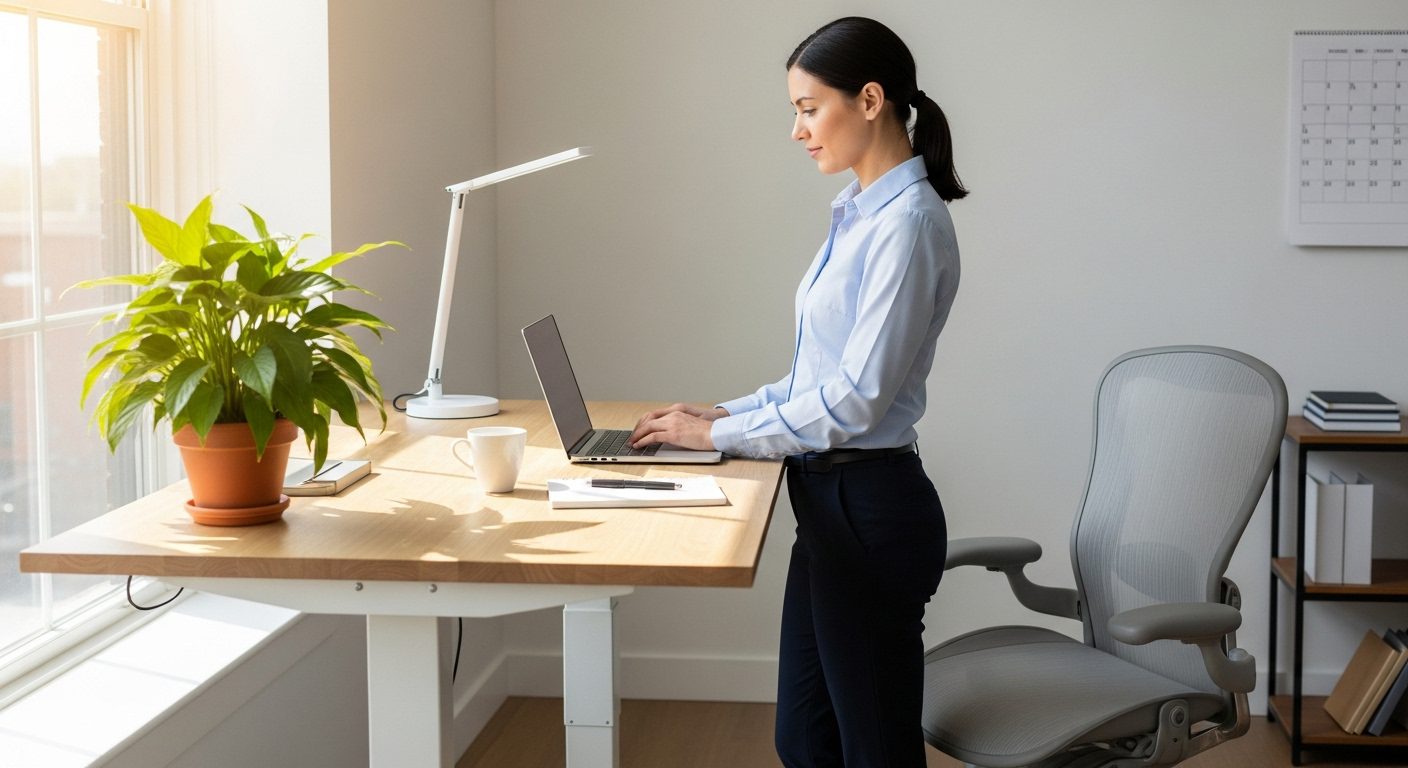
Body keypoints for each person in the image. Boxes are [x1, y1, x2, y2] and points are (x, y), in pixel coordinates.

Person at [628, 15, 964, 768]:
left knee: (873, 749)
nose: (798, 130)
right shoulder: (858, 216)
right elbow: (817, 377)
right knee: (807, 741)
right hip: (829, 506)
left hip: (871, 509)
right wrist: (723, 413)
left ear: (870, 100)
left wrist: (713, 440)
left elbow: (855, 402)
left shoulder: (907, 225)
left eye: (808, 109)